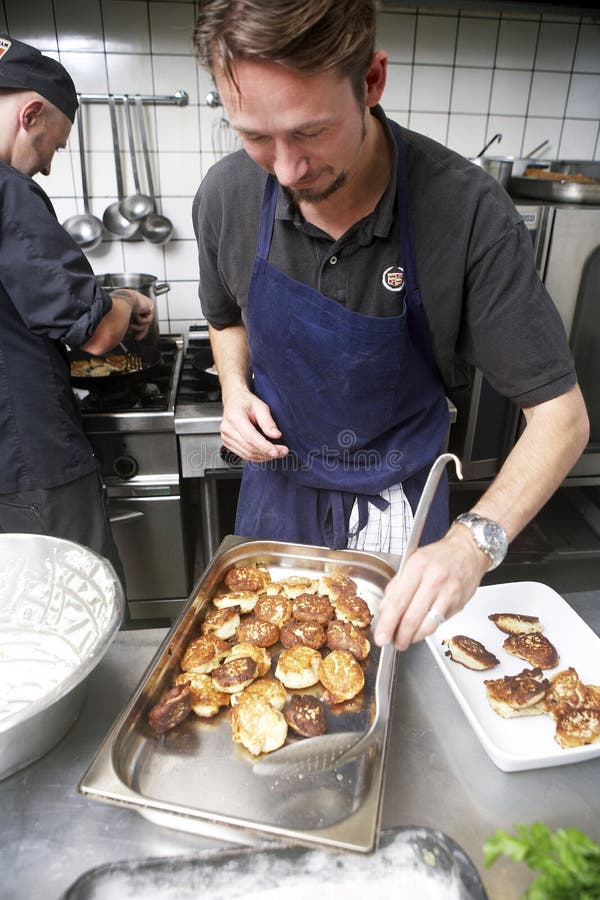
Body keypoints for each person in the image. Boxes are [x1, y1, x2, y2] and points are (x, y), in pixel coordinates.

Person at [191, 1, 589, 651]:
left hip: (399, 509)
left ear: (372, 83)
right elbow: (224, 317)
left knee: (395, 693)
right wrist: (235, 391)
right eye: (255, 136)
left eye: (310, 131)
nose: (286, 169)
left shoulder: (466, 213)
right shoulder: (225, 196)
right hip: (278, 495)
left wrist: (472, 544)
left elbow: (562, 418)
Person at [0, 34, 154, 588]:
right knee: (80, 606)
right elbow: (94, 333)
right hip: (30, 463)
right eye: (52, 147)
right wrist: (130, 300)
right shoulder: (7, 192)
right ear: (31, 112)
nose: (44, 166)